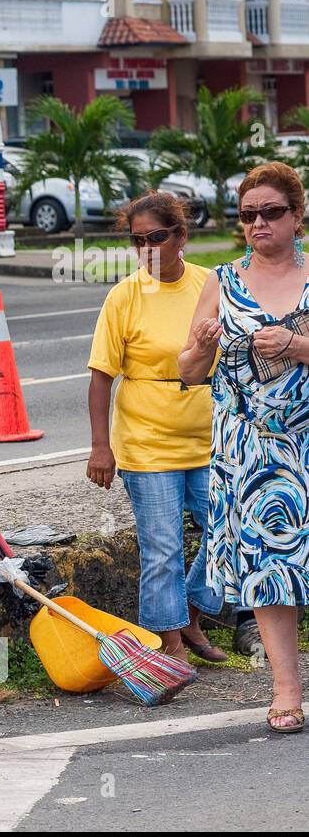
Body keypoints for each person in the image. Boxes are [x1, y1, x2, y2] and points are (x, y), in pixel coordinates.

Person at [179, 161, 309, 734]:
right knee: (270, 566)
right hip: (249, 450)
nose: (259, 223)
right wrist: (202, 348)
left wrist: (296, 344)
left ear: (298, 214)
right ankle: (286, 689)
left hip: (305, 439)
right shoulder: (220, 281)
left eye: (271, 212)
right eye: (248, 215)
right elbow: (186, 369)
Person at [86, 191, 227, 662]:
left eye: (157, 237)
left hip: (209, 438)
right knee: (163, 546)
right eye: (137, 240)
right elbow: (101, 377)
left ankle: (190, 611)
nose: (146, 248)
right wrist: (99, 447)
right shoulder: (124, 296)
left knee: (227, 529)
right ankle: (169, 643)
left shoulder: (211, 287)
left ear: (182, 236)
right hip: (146, 443)